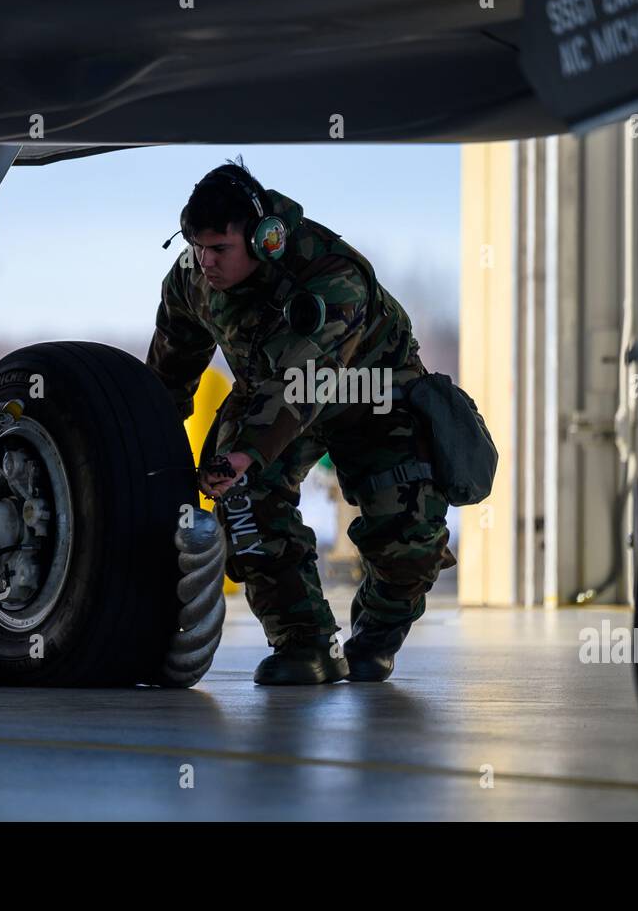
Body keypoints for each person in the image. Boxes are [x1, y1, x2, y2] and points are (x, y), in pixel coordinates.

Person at [146, 159, 455, 685]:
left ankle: (376, 640)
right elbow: (169, 373)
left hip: (372, 394)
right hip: (268, 391)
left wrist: (247, 450)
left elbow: (308, 378)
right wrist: (148, 445)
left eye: (220, 248)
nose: (206, 262)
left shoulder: (331, 275)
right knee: (244, 502)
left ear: (264, 239)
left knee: (408, 537)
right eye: (196, 247)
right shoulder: (192, 280)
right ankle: (304, 643)